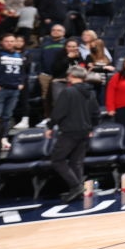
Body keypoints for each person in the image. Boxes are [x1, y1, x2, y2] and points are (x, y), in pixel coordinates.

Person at [47, 65, 100, 202]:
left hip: (70, 131)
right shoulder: (91, 92)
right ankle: (77, 191)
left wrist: (50, 126)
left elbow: (59, 111)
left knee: (57, 160)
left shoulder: (68, 92)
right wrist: (91, 129)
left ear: (71, 76)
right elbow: (96, 114)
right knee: (76, 162)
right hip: (85, 131)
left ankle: (76, 186)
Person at [0, 33, 27, 137]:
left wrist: (21, 83)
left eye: (12, 41)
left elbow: (23, 71)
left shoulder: (20, 55)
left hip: (14, 90)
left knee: (7, 116)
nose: (9, 43)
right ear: (2, 42)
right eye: (7, 41)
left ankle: (3, 138)